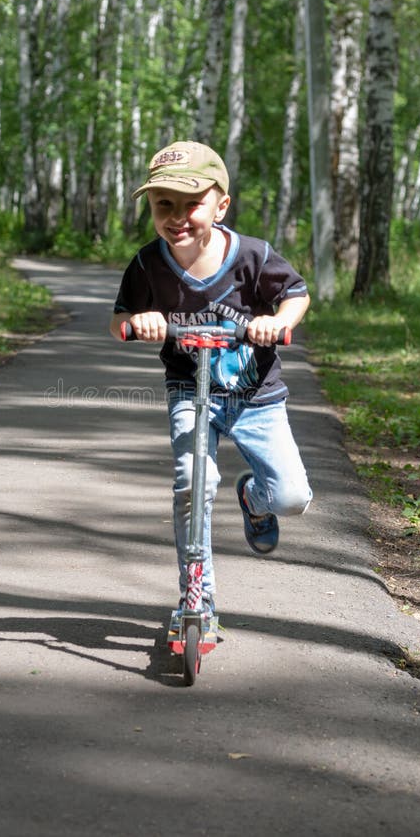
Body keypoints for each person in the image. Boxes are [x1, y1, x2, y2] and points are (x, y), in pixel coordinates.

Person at [110, 140, 312, 614]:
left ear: (221, 205)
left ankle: (252, 497)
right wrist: (141, 323)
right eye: (164, 205)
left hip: (255, 394)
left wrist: (278, 322)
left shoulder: (253, 257)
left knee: (291, 496)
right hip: (189, 390)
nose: (177, 217)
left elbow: (296, 294)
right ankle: (197, 600)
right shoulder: (147, 264)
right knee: (191, 485)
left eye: (191, 204)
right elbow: (119, 318)